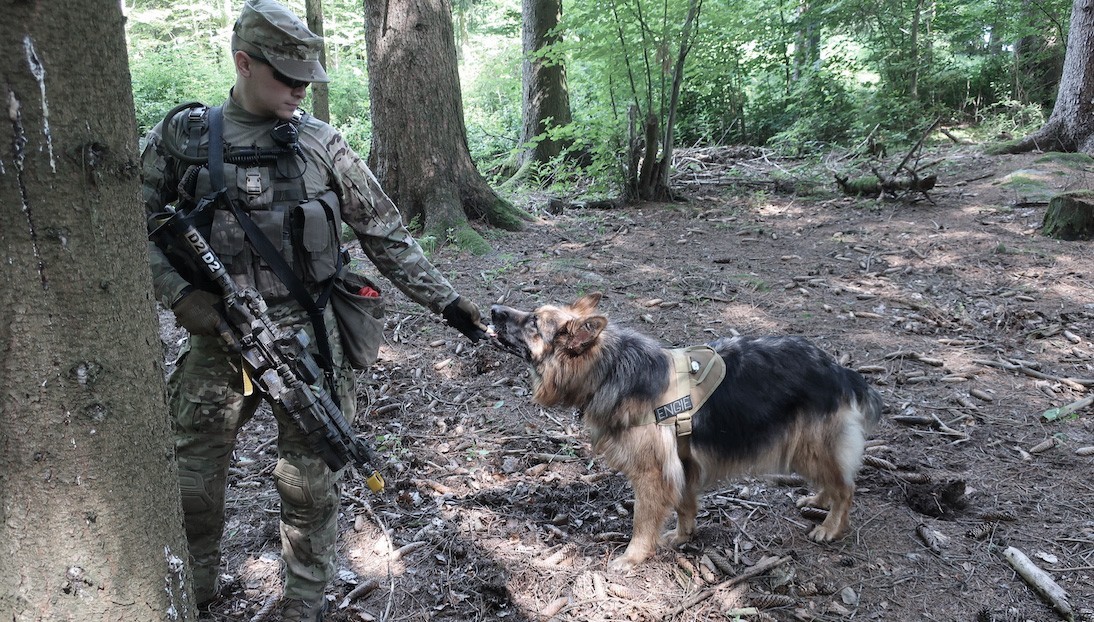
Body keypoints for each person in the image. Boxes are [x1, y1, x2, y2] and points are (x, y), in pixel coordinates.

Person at [140, 1, 487, 620]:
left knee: (308, 483)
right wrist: (180, 294)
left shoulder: (324, 145)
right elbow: (127, 226)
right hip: (219, 335)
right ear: (243, 63)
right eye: (288, 78)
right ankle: (190, 592)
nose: (301, 91)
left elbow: (387, 237)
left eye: (308, 79)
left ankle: (303, 604)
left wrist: (451, 304)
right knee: (191, 480)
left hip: (306, 343)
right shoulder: (182, 141)